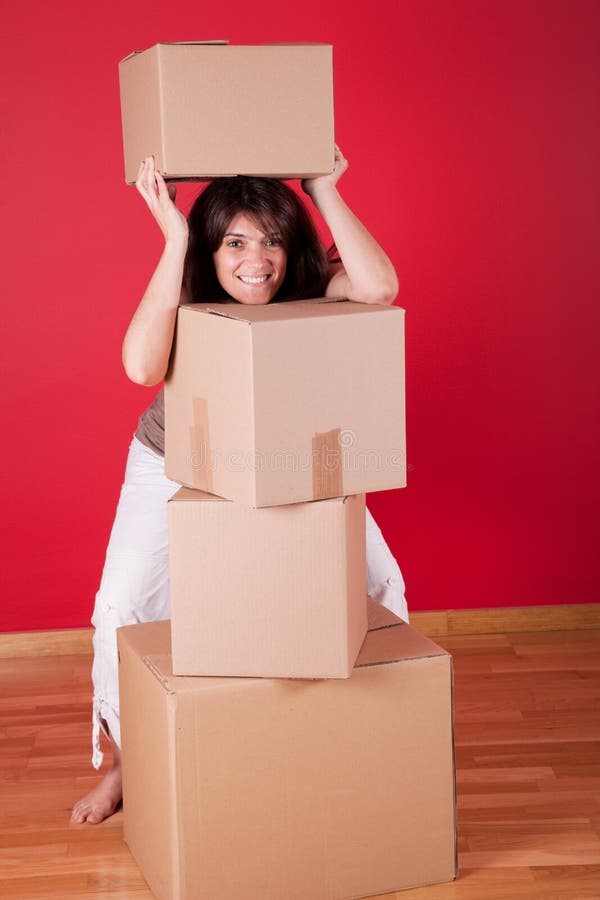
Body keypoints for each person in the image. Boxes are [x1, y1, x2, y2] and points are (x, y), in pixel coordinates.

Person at [71, 147, 408, 825]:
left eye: (273, 240)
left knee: (377, 585)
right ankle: (128, 763)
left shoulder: (313, 285)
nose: (258, 259)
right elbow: (141, 366)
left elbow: (378, 289)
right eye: (235, 242)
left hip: (286, 463)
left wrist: (323, 188)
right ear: (210, 248)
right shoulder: (186, 285)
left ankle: (376, 738)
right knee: (123, 604)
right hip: (176, 462)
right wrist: (174, 239)